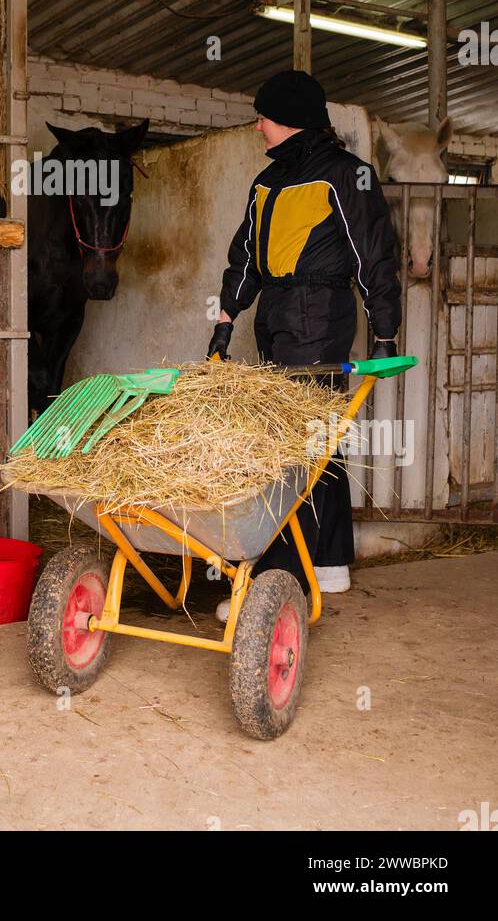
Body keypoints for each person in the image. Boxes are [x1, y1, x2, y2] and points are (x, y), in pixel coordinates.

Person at [207, 70, 401, 620]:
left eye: (263, 116)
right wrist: (225, 324)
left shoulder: (347, 175)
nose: (258, 126)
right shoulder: (266, 183)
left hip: (320, 314)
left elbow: (374, 257)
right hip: (275, 313)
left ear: (286, 118)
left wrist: (384, 335)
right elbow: (243, 257)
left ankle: (283, 575)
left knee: (298, 444)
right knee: (315, 439)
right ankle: (329, 564)